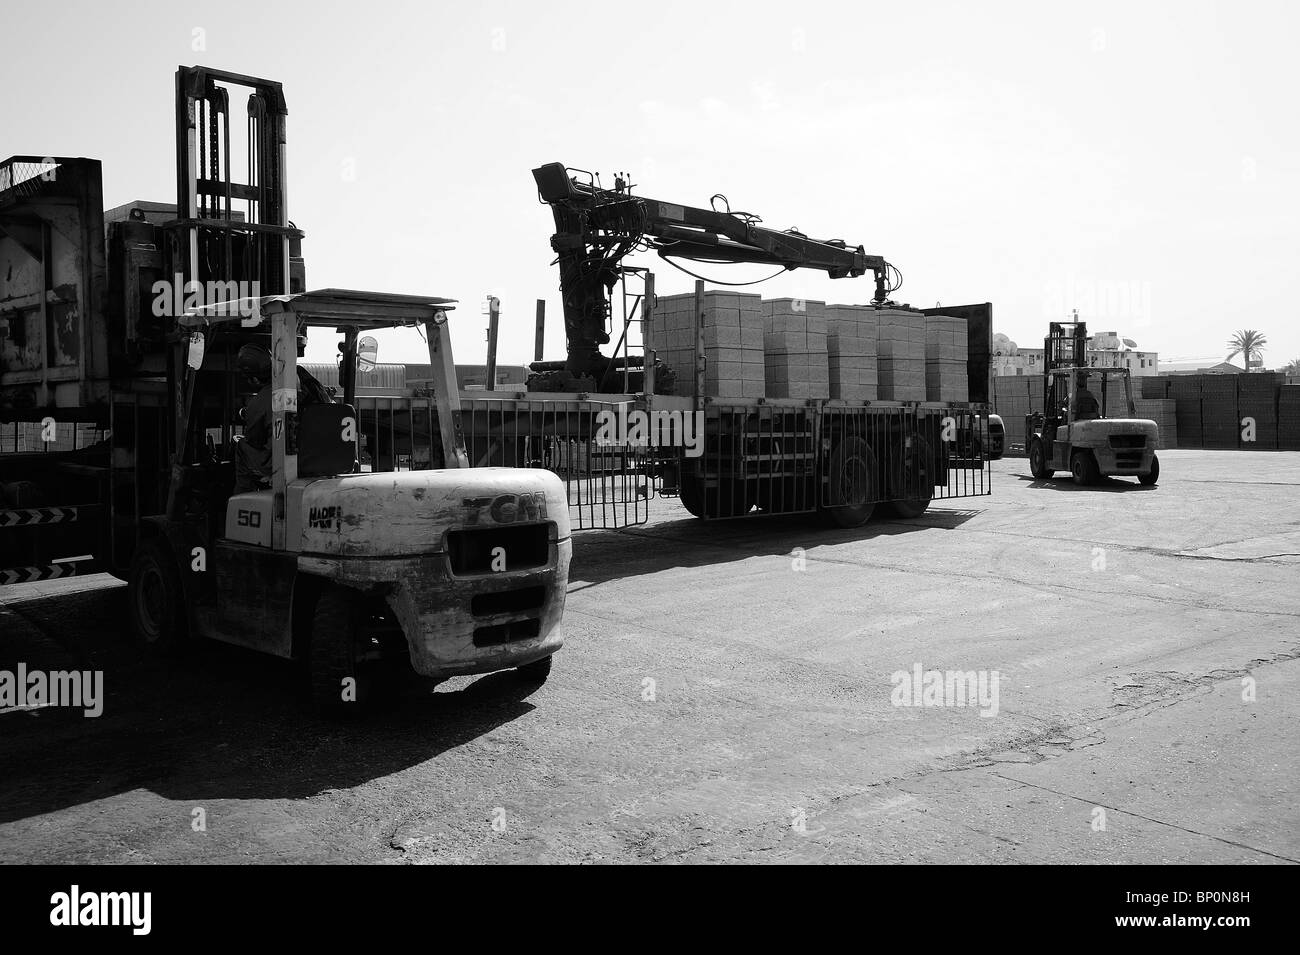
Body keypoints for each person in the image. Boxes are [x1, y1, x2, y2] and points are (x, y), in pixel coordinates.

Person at [232, 343, 333, 493]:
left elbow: (254, 440)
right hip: (317, 456)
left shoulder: (260, 401)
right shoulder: (313, 391)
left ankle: (243, 496)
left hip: (284, 461)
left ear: (254, 379)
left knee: (241, 445)